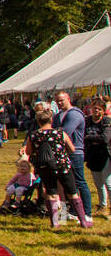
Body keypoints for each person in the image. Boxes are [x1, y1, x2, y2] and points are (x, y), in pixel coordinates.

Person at [22, 107, 92, 228]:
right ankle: (83, 221)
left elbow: (28, 151)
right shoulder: (60, 133)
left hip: (44, 167)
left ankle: (55, 222)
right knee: (72, 192)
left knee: (51, 193)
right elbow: (72, 148)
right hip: (62, 166)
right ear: (51, 121)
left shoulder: (34, 135)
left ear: (38, 121)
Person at [54, 91, 93, 219]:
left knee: (80, 182)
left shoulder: (75, 114)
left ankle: (87, 213)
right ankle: (72, 212)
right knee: (66, 184)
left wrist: (55, 131)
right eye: (57, 101)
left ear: (68, 99)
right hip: (61, 152)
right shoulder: (58, 116)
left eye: (62, 100)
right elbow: (54, 131)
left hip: (75, 152)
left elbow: (65, 132)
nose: (59, 103)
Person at [82, 98, 110, 217]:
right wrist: (93, 139)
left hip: (105, 155)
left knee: (108, 183)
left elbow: (105, 138)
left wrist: (89, 138)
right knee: (98, 183)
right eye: (94, 108)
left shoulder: (106, 121)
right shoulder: (87, 121)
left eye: (99, 109)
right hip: (92, 156)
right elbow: (82, 136)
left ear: (103, 111)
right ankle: (102, 206)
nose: (96, 111)